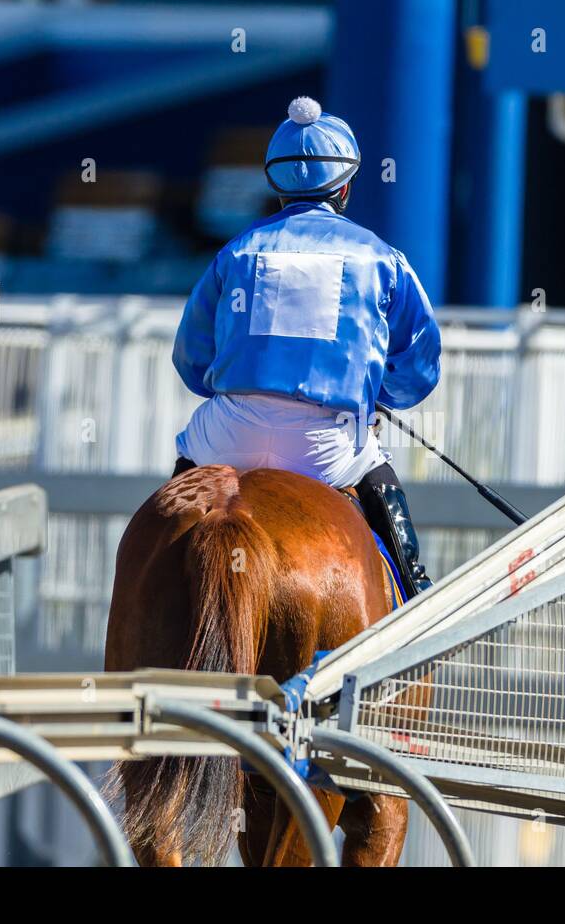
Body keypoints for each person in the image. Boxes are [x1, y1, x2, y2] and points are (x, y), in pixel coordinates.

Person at [171, 96, 441, 596]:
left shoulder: (237, 250)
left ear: (276, 184)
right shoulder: (381, 257)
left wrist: (235, 387)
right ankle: (413, 583)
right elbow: (420, 364)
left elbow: (191, 359)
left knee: (183, 476)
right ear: (344, 186)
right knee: (375, 465)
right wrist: (379, 397)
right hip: (327, 445)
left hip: (233, 432)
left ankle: (164, 575)